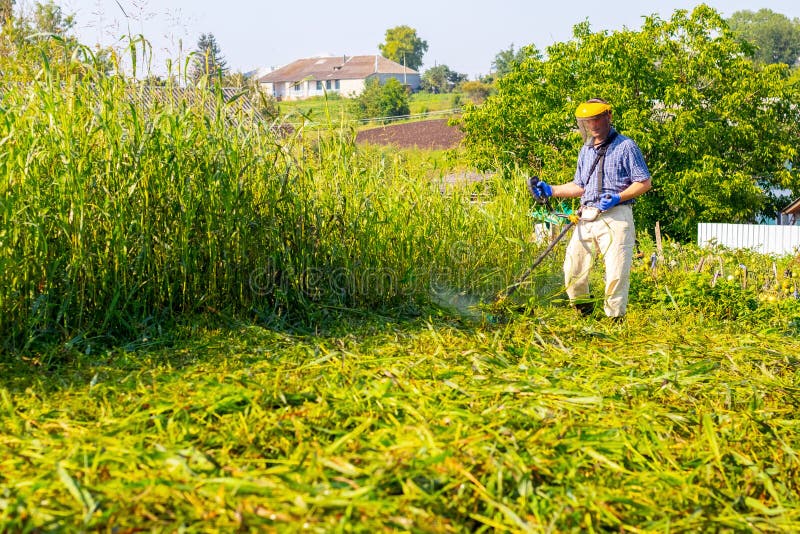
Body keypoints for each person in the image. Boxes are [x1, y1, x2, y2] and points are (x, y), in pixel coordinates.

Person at [533, 98, 652, 320]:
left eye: (597, 119)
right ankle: (584, 312)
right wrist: (552, 189)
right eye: (588, 121)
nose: (593, 125)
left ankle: (615, 320)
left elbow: (644, 182)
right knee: (573, 268)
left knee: (616, 271)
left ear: (608, 116)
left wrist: (618, 197)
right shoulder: (585, 150)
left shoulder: (626, 146)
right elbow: (579, 186)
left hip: (616, 215)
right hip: (586, 215)